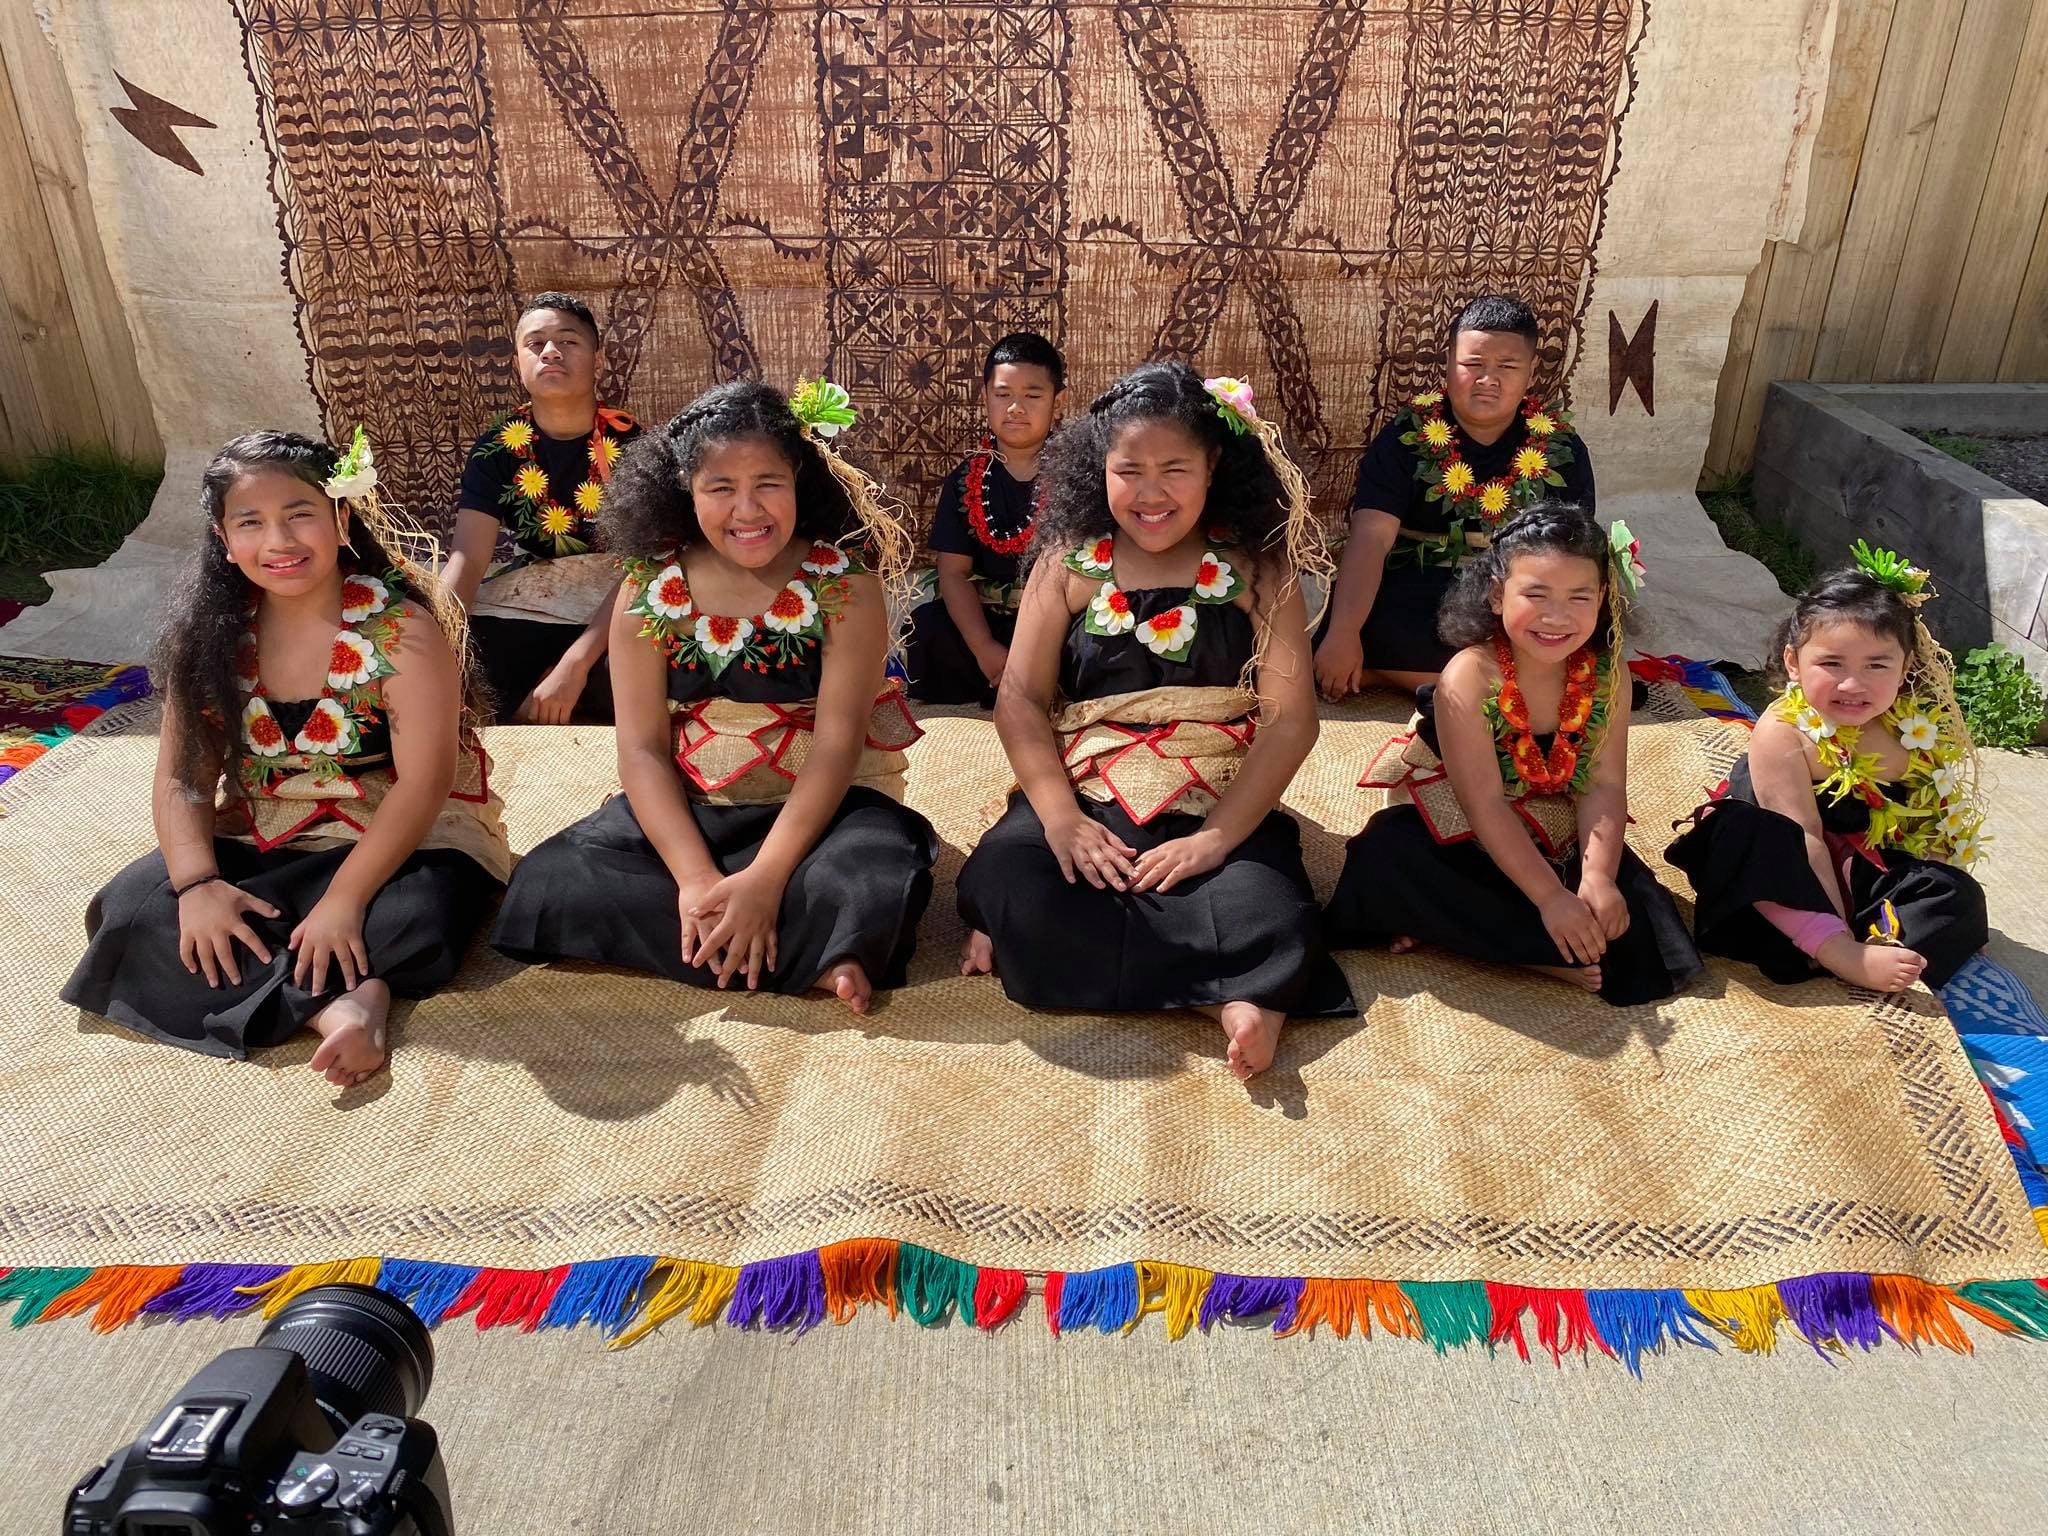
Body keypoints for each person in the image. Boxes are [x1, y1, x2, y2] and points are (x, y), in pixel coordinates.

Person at [62, 430, 512, 1085]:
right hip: (262, 834)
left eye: (300, 515)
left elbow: (424, 782)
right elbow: (185, 782)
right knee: (129, 908)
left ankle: (305, 979)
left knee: (417, 920)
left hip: (402, 840)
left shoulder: (402, 627)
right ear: (223, 539)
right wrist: (198, 888)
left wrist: (345, 900)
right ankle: (338, 1005)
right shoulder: (209, 638)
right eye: (251, 522)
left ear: (340, 517)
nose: (279, 541)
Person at [955, 364, 1354, 1080]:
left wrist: (1215, 840)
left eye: (1175, 469)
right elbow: (1018, 699)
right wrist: (1058, 819)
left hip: (1215, 796)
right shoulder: (1066, 565)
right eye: (1128, 469)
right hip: (1088, 792)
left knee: (1271, 907)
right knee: (1007, 875)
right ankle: (1228, 994)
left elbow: (1293, 721)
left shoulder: (1261, 572)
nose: (1149, 492)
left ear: (1215, 469)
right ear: (1096, 471)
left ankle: (1224, 991)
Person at [490, 380, 936, 1014]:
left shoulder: (846, 584)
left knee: (866, 881)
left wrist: (764, 880)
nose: (747, 511)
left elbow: (838, 744)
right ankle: (792, 953)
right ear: (684, 491)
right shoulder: (649, 586)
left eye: (767, 484)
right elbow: (641, 749)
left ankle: (755, 931)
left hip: (826, 809)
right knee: (547, 883)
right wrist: (696, 879)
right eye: (721, 488)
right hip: (696, 803)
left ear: (800, 479)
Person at [1324, 502, 1699, 1005]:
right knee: (1387, 857)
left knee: (1632, 913)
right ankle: (1533, 950)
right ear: (1498, 595)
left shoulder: (1610, 675)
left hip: (1555, 829)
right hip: (1468, 828)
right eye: (1536, 594)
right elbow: (1483, 803)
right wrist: (1549, 898)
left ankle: (1488, 938)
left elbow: (1604, 785)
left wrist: (1595, 878)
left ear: (1604, 597)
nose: (1556, 617)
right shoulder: (1470, 674)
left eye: (1578, 597)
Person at [1666, 546, 1989, 991]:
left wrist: (1941, 894)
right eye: (1831, 664)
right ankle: (1834, 952)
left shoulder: (1911, 726)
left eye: (1877, 665)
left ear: (1905, 667)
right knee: (1749, 836)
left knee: (1957, 893)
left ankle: (1884, 942)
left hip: (1862, 869)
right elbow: (1807, 837)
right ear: (1794, 663)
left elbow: (1929, 824)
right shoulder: (1784, 730)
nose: (1853, 685)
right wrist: (1839, 938)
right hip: (1784, 877)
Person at [1314, 294, 1593, 701]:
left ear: (1532, 371)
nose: (1488, 379)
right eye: (1473, 364)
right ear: (1448, 362)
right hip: (1416, 587)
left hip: (1509, 593)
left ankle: (1418, 681)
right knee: (1351, 630)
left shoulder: (1560, 447)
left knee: (1576, 629)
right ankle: (1488, 687)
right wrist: (1344, 633)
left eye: (1507, 366)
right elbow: (1371, 538)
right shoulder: (1404, 438)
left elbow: (1571, 551)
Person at [444, 293, 643, 722]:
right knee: (465, 669)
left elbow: (640, 569)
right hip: (535, 605)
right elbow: (468, 559)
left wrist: (574, 664)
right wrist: (431, 635)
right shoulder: (495, 452)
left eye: (568, 341)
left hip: (616, 608)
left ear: (599, 360)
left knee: (629, 670)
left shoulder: (636, 449)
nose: (550, 351)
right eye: (535, 344)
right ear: (518, 364)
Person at [904, 332, 1067, 705]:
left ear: (1059, 402)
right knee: (926, 626)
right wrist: (985, 649)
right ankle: (997, 676)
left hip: (1053, 627)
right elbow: (953, 574)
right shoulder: (965, 481)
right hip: (988, 624)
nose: (1016, 407)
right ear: (985, 398)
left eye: (1033, 395)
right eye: (1003, 394)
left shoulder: (1078, 475)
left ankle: (1035, 685)